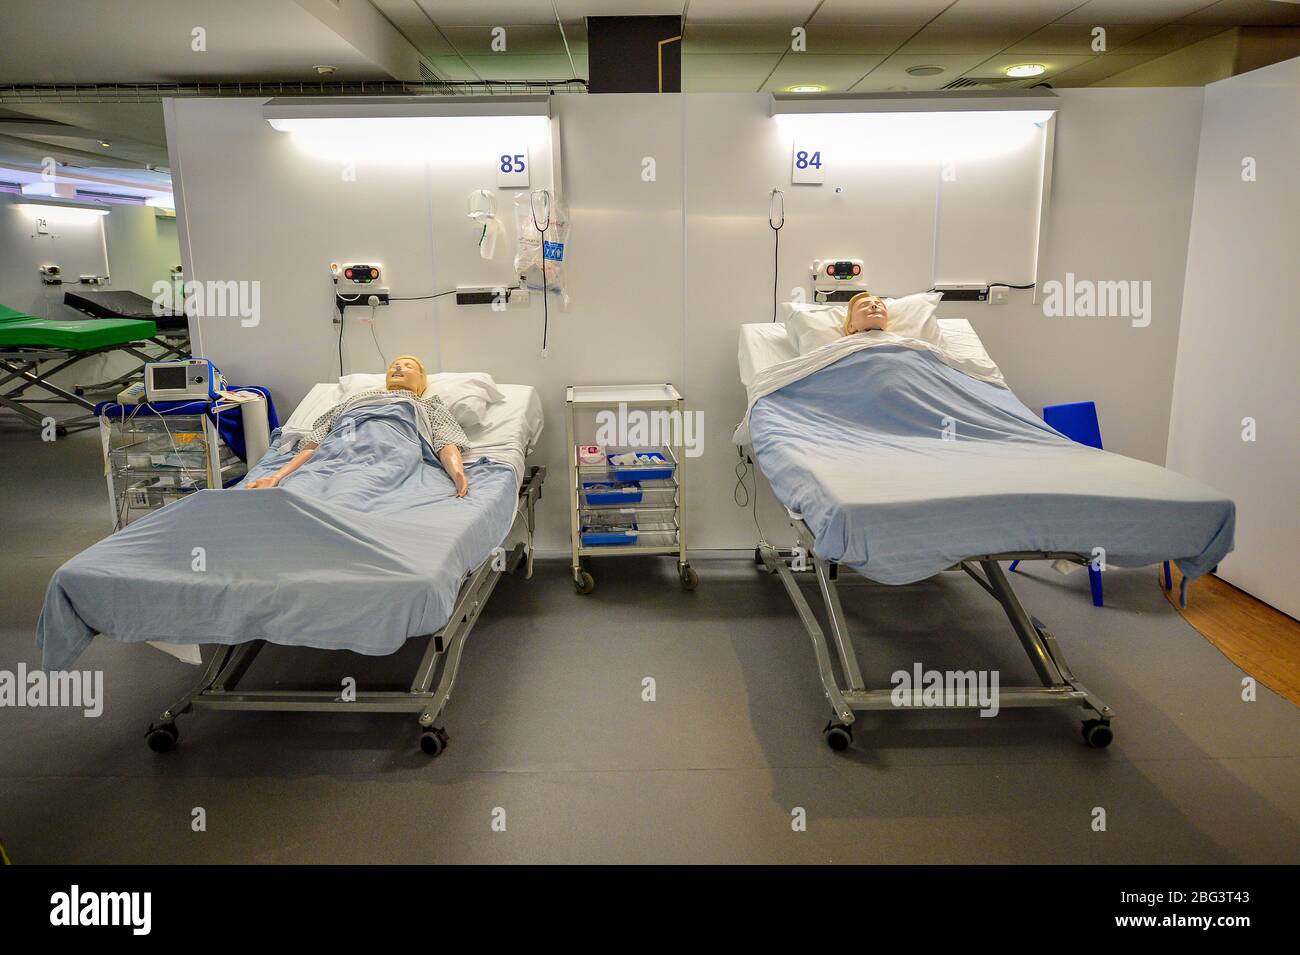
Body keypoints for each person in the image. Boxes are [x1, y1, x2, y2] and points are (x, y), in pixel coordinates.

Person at [244, 355, 471, 496]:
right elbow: (313, 447)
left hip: (391, 453)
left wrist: (457, 473)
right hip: (336, 455)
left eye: (408, 366)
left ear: (422, 381)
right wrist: (278, 477)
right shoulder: (354, 400)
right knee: (302, 487)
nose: (399, 368)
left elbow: (445, 442)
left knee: (358, 490)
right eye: (395, 365)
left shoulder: (428, 404)